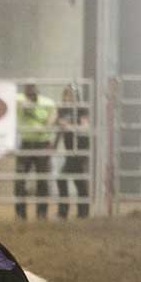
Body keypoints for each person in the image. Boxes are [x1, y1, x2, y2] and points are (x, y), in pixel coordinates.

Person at [14, 83, 56, 220]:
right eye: (29, 93)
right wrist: (25, 103)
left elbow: (51, 119)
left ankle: (42, 213)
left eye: (33, 93)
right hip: (26, 143)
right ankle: (20, 214)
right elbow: (10, 98)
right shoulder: (19, 99)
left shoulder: (48, 103)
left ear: (38, 93)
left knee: (43, 180)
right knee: (20, 180)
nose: (31, 95)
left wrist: (45, 126)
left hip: (43, 144)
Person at [55, 85, 90, 219]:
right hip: (70, 149)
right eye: (66, 95)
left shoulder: (82, 109)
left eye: (70, 95)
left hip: (80, 148)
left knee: (63, 178)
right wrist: (55, 144)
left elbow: (85, 128)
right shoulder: (63, 110)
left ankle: (64, 212)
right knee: (78, 180)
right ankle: (83, 212)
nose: (67, 98)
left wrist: (68, 126)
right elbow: (60, 129)